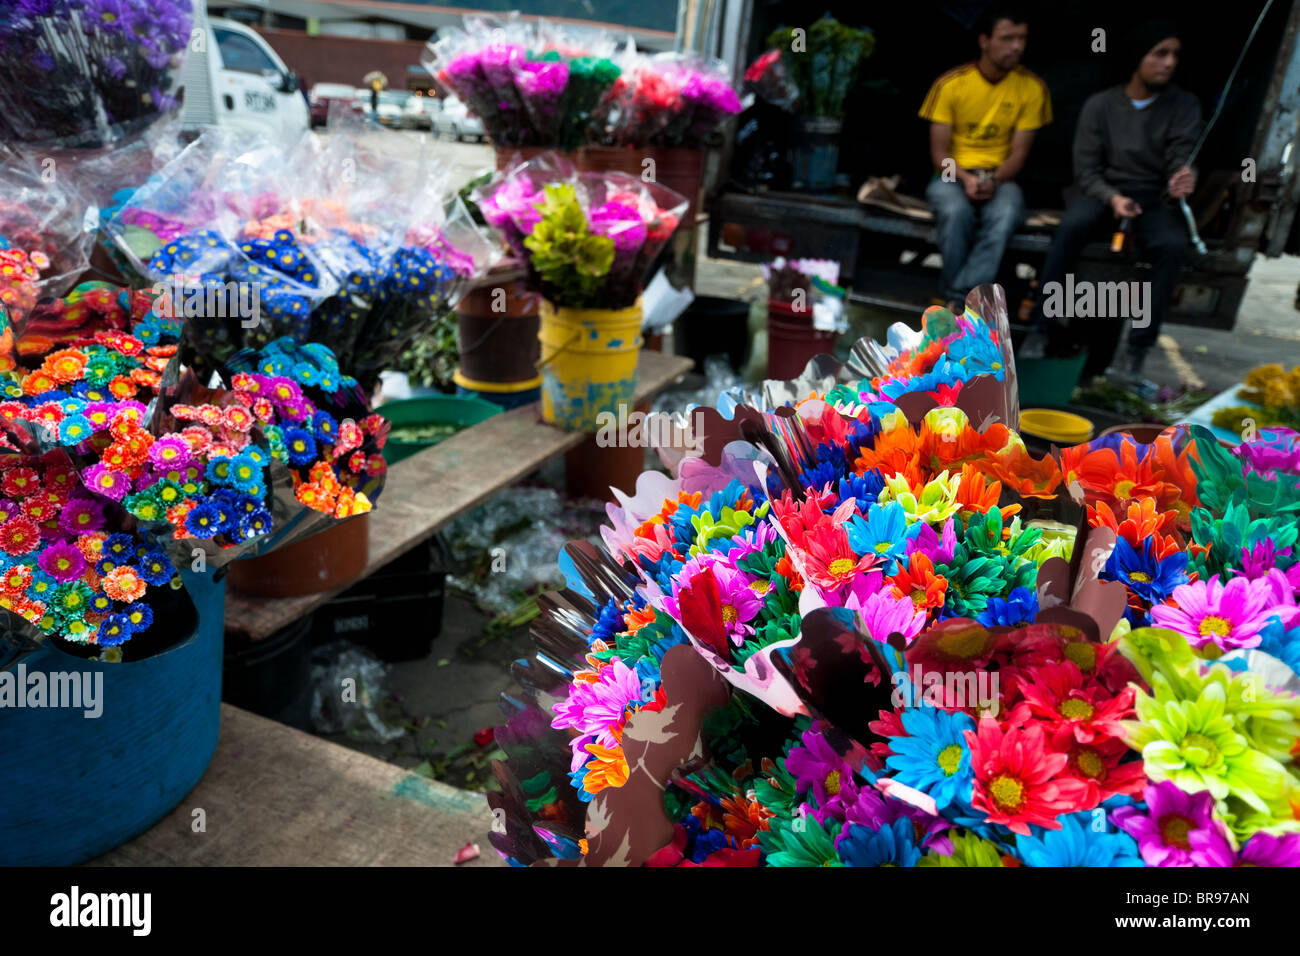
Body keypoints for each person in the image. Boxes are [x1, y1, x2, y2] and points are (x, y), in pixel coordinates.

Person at [1023, 20, 1201, 382]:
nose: (1168, 63)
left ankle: (1137, 350)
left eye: (1174, 56)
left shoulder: (1184, 105)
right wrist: (1113, 198)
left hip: (1153, 197)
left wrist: (1184, 177)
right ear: (1138, 58)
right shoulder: (1100, 105)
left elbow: (1181, 157)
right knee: (1070, 228)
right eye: (1160, 54)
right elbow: (1085, 170)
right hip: (1100, 191)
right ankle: (1040, 329)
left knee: (1171, 245)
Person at [919, 5, 1051, 310]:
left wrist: (992, 180)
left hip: (1000, 176)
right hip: (953, 172)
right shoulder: (951, 84)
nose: (1016, 46)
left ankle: (958, 296)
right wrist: (966, 179)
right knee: (954, 212)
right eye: (1007, 38)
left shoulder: (1032, 88)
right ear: (984, 41)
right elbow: (940, 155)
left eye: (1021, 39)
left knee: (1005, 214)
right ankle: (962, 299)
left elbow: (1019, 155)